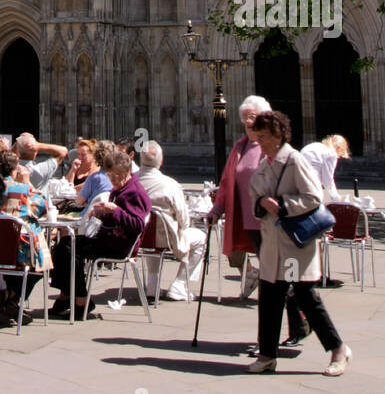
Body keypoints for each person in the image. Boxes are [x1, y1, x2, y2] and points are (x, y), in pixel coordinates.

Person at [247, 110, 350, 377]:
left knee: (305, 296)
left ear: (278, 135)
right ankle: (267, 355)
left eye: (264, 136)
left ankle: (338, 349)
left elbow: (314, 197)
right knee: (269, 297)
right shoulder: (265, 163)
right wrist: (261, 202)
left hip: (294, 246)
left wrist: (281, 205)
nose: (259, 141)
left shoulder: (294, 160)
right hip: (273, 244)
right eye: (257, 136)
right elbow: (255, 191)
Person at [49, 149, 151, 317]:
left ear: (126, 172)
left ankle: (81, 300)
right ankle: (66, 295)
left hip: (119, 246)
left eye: (116, 176)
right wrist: (102, 213)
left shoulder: (135, 192)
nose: (113, 180)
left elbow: (137, 225)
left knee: (70, 248)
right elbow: (115, 218)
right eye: (110, 176)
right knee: (64, 244)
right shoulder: (120, 189)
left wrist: (115, 210)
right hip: (107, 239)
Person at [208, 94, 271, 297]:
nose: (247, 122)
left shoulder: (272, 147)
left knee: (271, 263)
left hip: (268, 218)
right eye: (244, 118)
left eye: (251, 117)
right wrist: (217, 208)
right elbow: (227, 181)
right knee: (234, 251)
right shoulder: (240, 147)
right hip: (242, 215)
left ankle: (282, 301)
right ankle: (251, 275)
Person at [137, 140, 206, 301]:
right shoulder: (170, 185)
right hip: (165, 237)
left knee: (150, 233)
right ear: (161, 162)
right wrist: (181, 226)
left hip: (137, 238)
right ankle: (180, 284)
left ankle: (152, 284)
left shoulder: (131, 183)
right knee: (201, 238)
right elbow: (184, 218)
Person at [0, 153, 52, 325]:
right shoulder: (20, 190)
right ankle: (10, 296)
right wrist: (27, 182)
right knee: (40, 265)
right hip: (17, 250)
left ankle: (9, 300)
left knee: (18, 259)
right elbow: (43, 206)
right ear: (15, 168)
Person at [300, 135, 350, 202]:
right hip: (310, 183)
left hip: (298, 176)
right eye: (340, 155)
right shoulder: (331, 154)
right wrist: (337, 198)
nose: (338, 157)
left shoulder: (317, 146)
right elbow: (328, 180)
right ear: (339, 148)